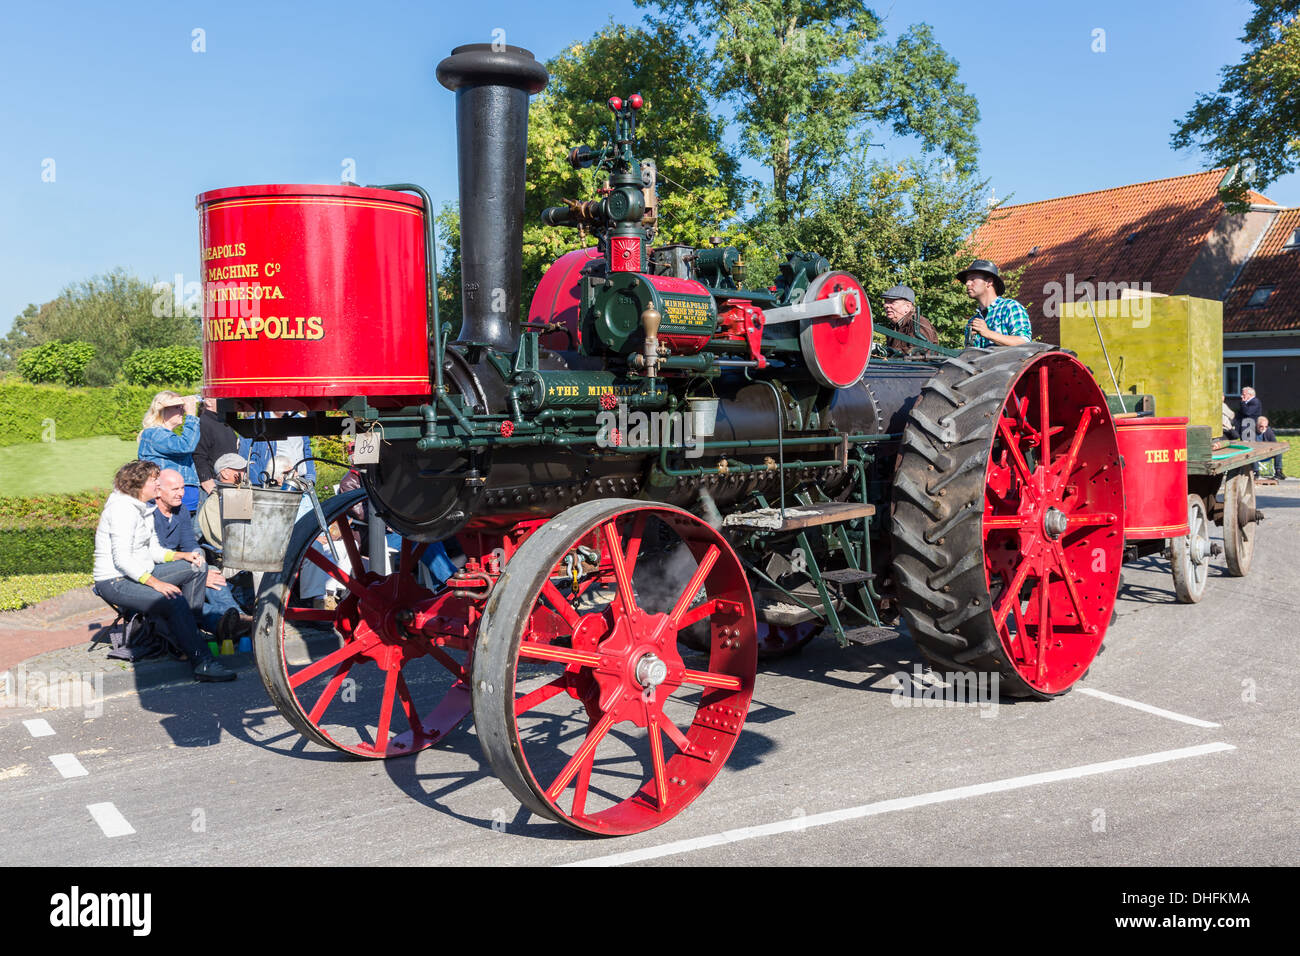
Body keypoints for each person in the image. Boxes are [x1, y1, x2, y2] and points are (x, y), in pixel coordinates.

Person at [92, 460, 235, 682]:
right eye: (153, 480)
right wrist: (156, 584)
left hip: (140, 572)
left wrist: (183, 556)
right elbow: (122, 560)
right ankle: (202, 662)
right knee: (173, 599)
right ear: (139, 484)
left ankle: (189, 632)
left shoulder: (144, 508)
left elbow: (154, 550)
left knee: (196, 567)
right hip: (115, 581)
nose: (158, 484)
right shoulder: (122, 510)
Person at [155, 468, 251, 643]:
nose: (181, 493)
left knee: (210, 569)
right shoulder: (149, 514)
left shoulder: (180, 510)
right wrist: (197, 574)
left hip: (178, 567)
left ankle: (237, 620)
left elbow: (190, 543)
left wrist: (200, 564)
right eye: (175, 489)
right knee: (200, 576)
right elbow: (152, 558)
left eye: (182, 488)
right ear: (158, 490)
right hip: (153, 572)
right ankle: (227, 623)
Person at [137, 391, 202, 514]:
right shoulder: (153, 434)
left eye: (183, 407)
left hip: (184, 504)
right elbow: (186, 446)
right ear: (162, 410)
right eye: (178, 407)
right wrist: (192, 416)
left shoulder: (168, 436)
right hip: (168, 504)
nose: (183, 411)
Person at [958, 259, 1032, 348]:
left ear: (989, 282)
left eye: (972, 279)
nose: (967, 283)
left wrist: (987, 333)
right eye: (967, 280)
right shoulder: (972, 321)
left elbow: (1024, 342)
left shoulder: (1010, 307)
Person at [241, 411, 317, 488]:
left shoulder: (300, 420)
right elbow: (248, 461)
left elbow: (307, 452)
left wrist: (309, 480)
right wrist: (263, 486)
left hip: (301, 484)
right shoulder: (254, 423)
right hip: (274, 486)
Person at [193, 394, 239, 510]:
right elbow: (198, 455)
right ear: (208, 401)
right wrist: (207, 482)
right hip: (213, 485)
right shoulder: (203, 423)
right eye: (221, 396)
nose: (227, 400)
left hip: (228, 484)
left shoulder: (223, 422)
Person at [880, 285, 939, 355]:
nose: (886, 305)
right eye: (886, 302)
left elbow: (923, 353)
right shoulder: (894, 326)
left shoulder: (918, 323)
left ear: (907, 307)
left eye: (892, 302)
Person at [1254, 415, 1288, 480]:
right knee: (1253, 453)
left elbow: (1274, 443)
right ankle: (1256, 472)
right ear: (1257, 425)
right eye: (1261, 426)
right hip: (1255, 454)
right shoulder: (1252, 432)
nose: (1264, 428)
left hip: (1266, 453)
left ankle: (1278, 471)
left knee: (1278, 451)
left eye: (1266, 426)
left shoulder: (1268, 431)